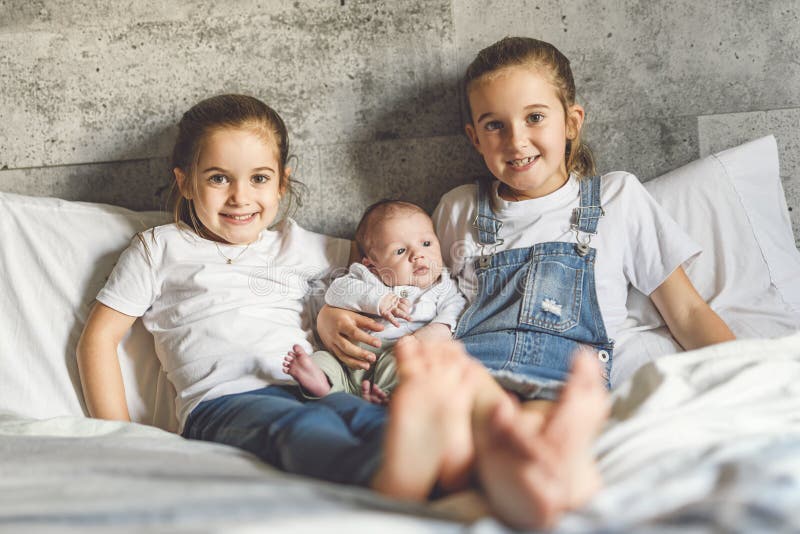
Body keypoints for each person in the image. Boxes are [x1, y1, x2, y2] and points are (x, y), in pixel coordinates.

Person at [76, 93, 609, 530]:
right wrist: (125, 442)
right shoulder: (159, 248)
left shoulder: (296, 244)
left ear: (283, 183)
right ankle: (397, 477)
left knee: (363, 416)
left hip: (319, 385)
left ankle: (504, 469)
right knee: (297, 435)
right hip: (225, 403)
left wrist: (329, 316)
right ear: (186, 181)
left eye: (259, 179)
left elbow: (374, 267)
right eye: (218, 178)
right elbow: (99, 340)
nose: (241, 197)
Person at [318, 36, 735, 522]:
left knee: (532, 420)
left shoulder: (618, 199)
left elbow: (686, 312)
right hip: (472, 370)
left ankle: (493, 476)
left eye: (535, 117)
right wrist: (332, 313)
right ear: (474, 137)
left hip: (557, 375)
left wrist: (752, 373)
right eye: (495, 125)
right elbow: (417, 295)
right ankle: (501, 477)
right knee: (473, 415)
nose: (515, 141)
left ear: (571, 123)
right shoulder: (457, 208)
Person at [283, 199, 466, 403]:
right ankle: (321, 382)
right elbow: (336, 291)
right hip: (350, 357)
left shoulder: (443, 286)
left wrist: (438, 329)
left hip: (399, 350)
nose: (418, 255)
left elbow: (457, 309)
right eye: (400, 251)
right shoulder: (368, 277)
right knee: (322, 360)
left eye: (426, 243)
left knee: (408, 366)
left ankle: (385, 396)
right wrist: (379, 299)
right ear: (372, 263)